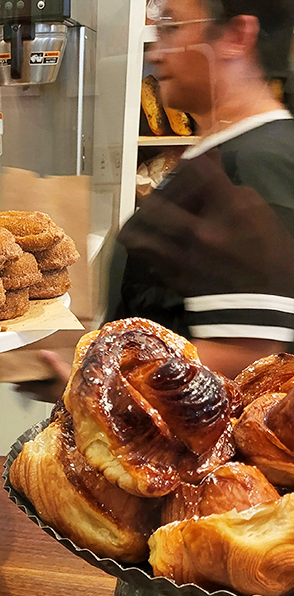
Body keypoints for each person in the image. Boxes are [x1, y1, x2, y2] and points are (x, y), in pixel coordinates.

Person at [36, 0, 294, 391]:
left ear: (236, 37)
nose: (156, 51)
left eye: (171, 27)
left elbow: (249, 359)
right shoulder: (219, 153)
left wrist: (98, 382)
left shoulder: (258, 162)